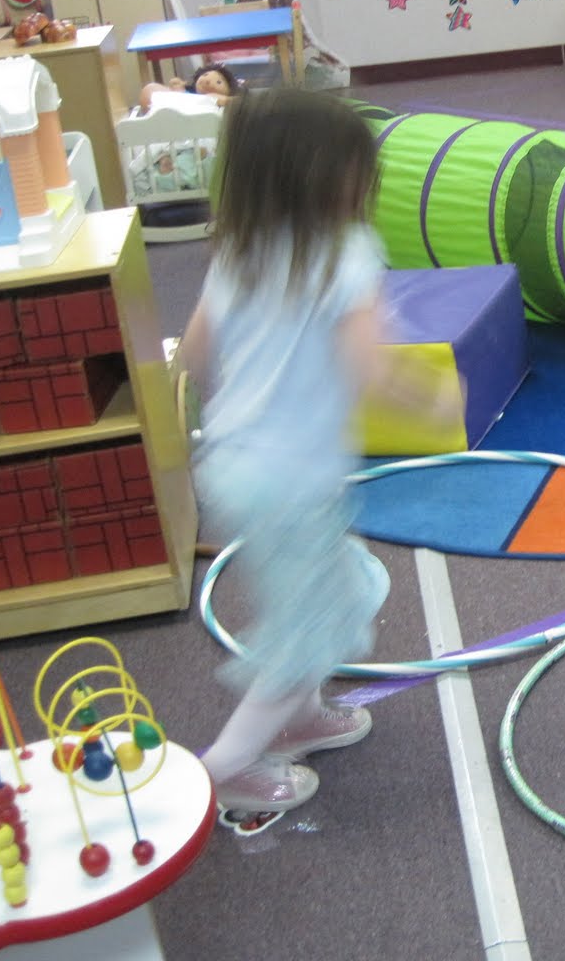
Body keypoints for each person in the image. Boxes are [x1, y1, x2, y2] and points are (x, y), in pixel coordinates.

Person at [178, 90, 465, 813]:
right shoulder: (347, 254)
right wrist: (433, 397)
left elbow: (194, 352)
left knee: (335, 586)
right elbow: (367, 365)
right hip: (293, 479)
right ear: (336, 180)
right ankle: (225, 771)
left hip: (232, 465)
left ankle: (302, 716)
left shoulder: (238, 249)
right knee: (308, 630)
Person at [137, 63, 243, 113]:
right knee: (151, 89)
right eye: (205, 75)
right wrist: (177, 88)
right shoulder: (190, 95)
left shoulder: (215, 98)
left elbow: (228, 101)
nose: (207, 81)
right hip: (169, 113)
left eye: (218, 82)